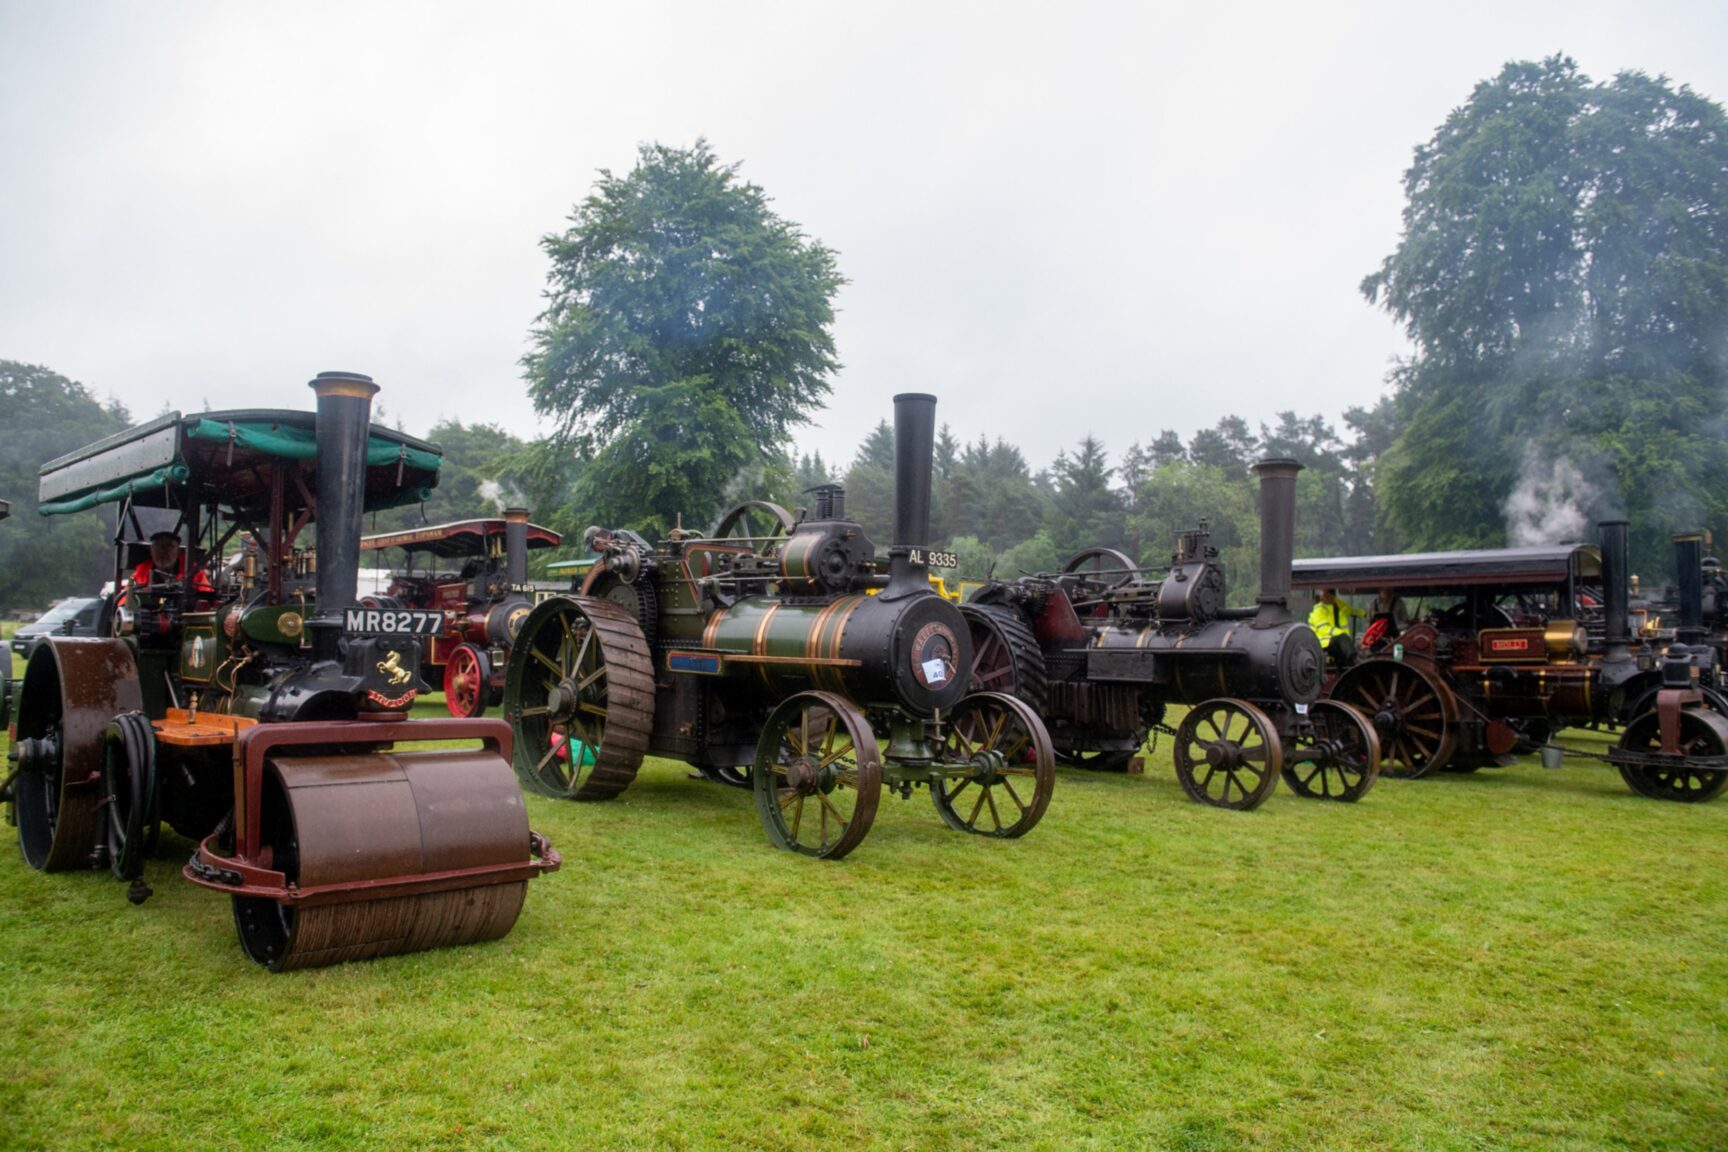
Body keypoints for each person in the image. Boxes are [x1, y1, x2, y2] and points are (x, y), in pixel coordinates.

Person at [128, 532, 214, 595]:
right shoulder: (139, 575)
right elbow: (124, 603)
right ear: (150, 550)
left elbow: (208, 597)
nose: (163, 551)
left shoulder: (194, 573)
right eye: (158, 546)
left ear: (178, 551)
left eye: (169, 546)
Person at [1308, 588, 1364, 665]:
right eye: (1325, 594)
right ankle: (1356, 660)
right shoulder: (1318, 610)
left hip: (1337, 642)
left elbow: (1350, 610)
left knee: (1343, 653)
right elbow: (1324, 629)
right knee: (1343, 638)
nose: (1327, 596)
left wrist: (1365, 614)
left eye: (1331, 593)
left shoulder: (1337, 604)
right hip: (1323, 642)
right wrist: (1341, 633)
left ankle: (1350, 666)